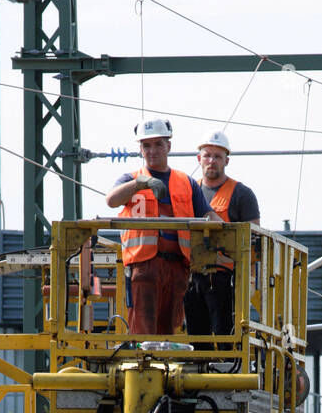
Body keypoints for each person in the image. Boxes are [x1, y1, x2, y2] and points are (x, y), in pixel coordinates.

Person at [105, 118, 219, 336]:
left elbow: (209, 215)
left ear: (168, 146)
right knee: (143, 330)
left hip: (177, 268)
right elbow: (111, 200)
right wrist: (140, 184)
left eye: (158, 144)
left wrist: (233, 232)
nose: (152, 151)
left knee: (170, 328)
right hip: (143, 267)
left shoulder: (186, 182)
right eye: (146, 145)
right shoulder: (131, 179)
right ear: (140, 149)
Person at [183, 129, 260, 339]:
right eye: (207, 155)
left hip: (225, 279)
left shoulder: (241, 194)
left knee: (224, 335)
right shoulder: (187, 191)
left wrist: (251, 280)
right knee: (196, 337)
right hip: (191, 276)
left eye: (217, 156)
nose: (212, 161)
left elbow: (254, 239)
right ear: (199, 159)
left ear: (227, 160)